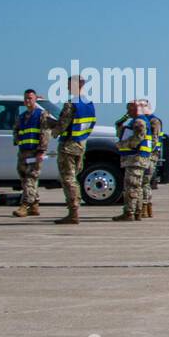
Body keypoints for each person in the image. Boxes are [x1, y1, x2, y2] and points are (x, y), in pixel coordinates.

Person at [51, 75, 97, 225]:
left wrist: (54, 130)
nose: (67, 87)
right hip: (80, 145)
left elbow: (62, 124)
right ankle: (74, 210)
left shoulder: (71, 104)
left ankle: (73, 211)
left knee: (68, 179)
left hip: (68, 146)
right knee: (74, 178)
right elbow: (91, 124)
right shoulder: (89, 104)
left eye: (69, 85)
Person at [11, 89, 51, 217]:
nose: (28, 101)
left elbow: (45, 133)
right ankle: (34, 205)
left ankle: (25, 205)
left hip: (35, 152)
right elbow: (16, 130)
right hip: (23, 152)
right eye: (26, 98)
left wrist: (41, 151)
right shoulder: (22, 117)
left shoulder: (41, 115)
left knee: (30, 178)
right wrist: (17, 140)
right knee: (25, 179)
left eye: (30, 98)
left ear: (35, 99)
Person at [112, 100, 152, 222]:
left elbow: (137, 139)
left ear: (135, 109)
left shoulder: (139, 121)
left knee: (131, 186)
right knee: (137, 186)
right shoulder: (139, 120)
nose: (127, 112)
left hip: (135, 158)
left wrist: (121, 144)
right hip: (139, 158)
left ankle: (129, 212)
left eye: (129, 109)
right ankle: (137, 212)